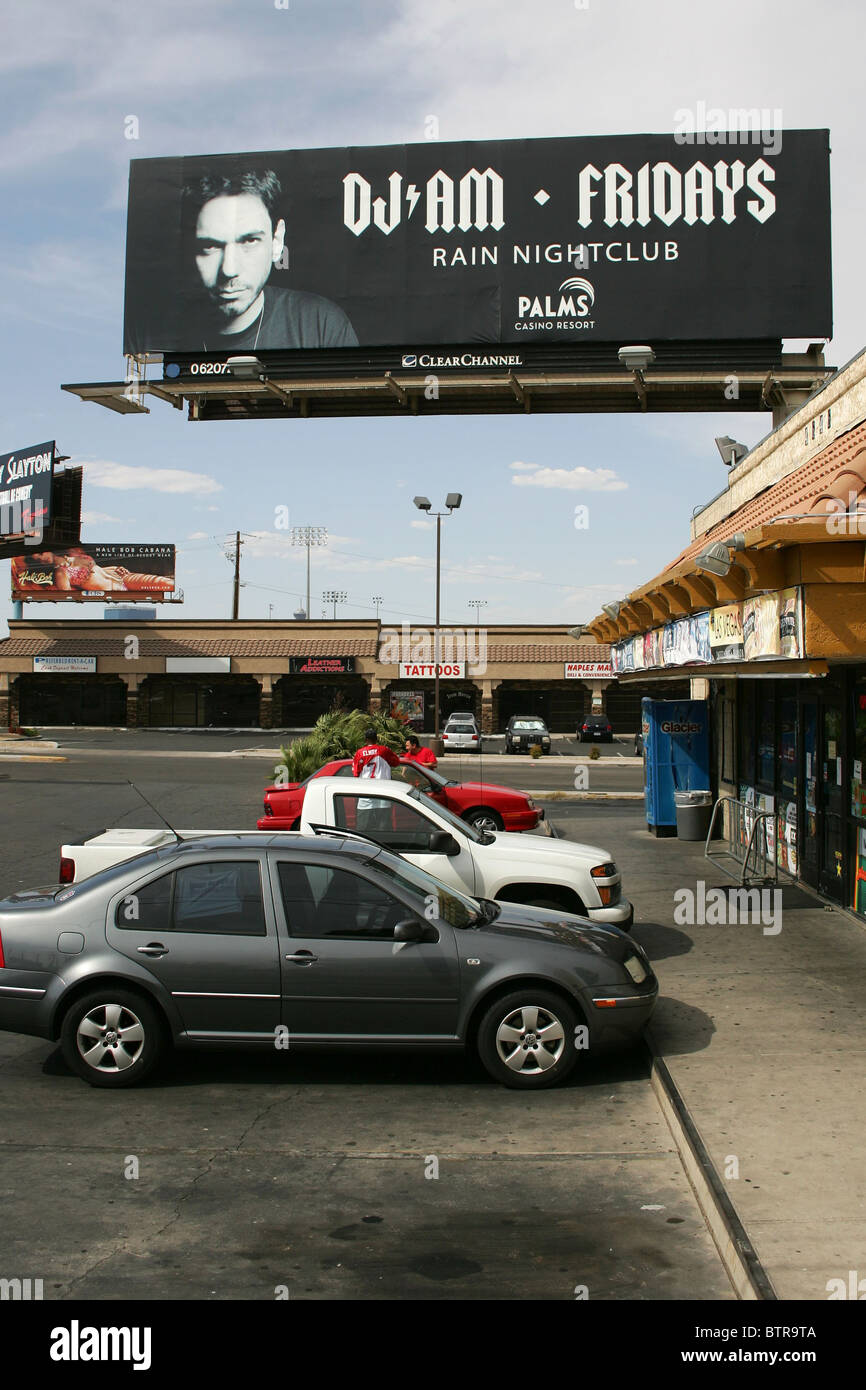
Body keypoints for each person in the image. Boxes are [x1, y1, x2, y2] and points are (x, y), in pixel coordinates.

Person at [180, 168, 358, 350]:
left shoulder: (322, 325)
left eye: (249, 241)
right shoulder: (153, 335)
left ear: (277, 241)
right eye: (210, 246)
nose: (229, 270)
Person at [352, 727, 401, 839]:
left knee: (363, 830)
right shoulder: (384, 750)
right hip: (383, 794)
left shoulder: (359, 753)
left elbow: (355, 774)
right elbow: (396, 762)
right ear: (376, 738)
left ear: (366, 739)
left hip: (365, 795)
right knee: (383, 828)